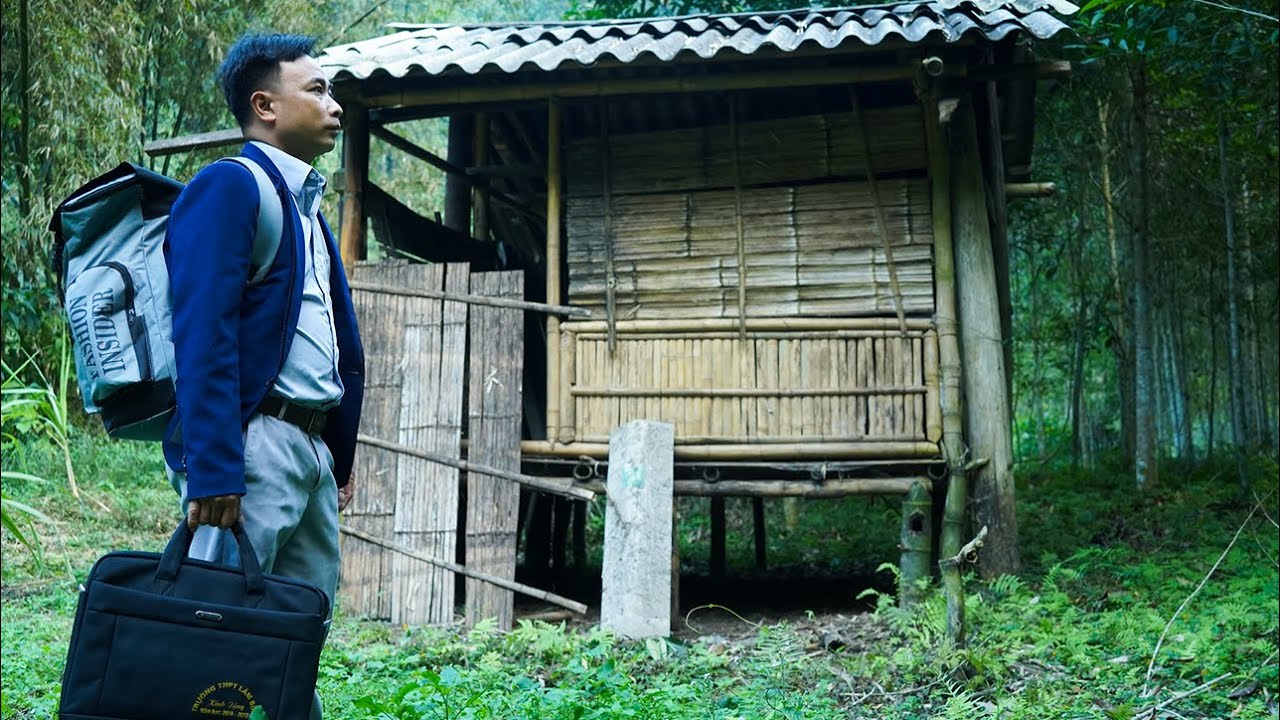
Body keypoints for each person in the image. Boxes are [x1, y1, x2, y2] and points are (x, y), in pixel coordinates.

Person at [162, 32, 364, 719]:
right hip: (255, 448)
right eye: (317, 89)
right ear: (265, 105)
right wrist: (213, 467)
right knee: (217, 631)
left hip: (308, 452)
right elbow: (202, 331)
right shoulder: (230, 186)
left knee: (296, 632)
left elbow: (330, 343)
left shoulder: (308, 211)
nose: (335, 105)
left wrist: (337, 451)